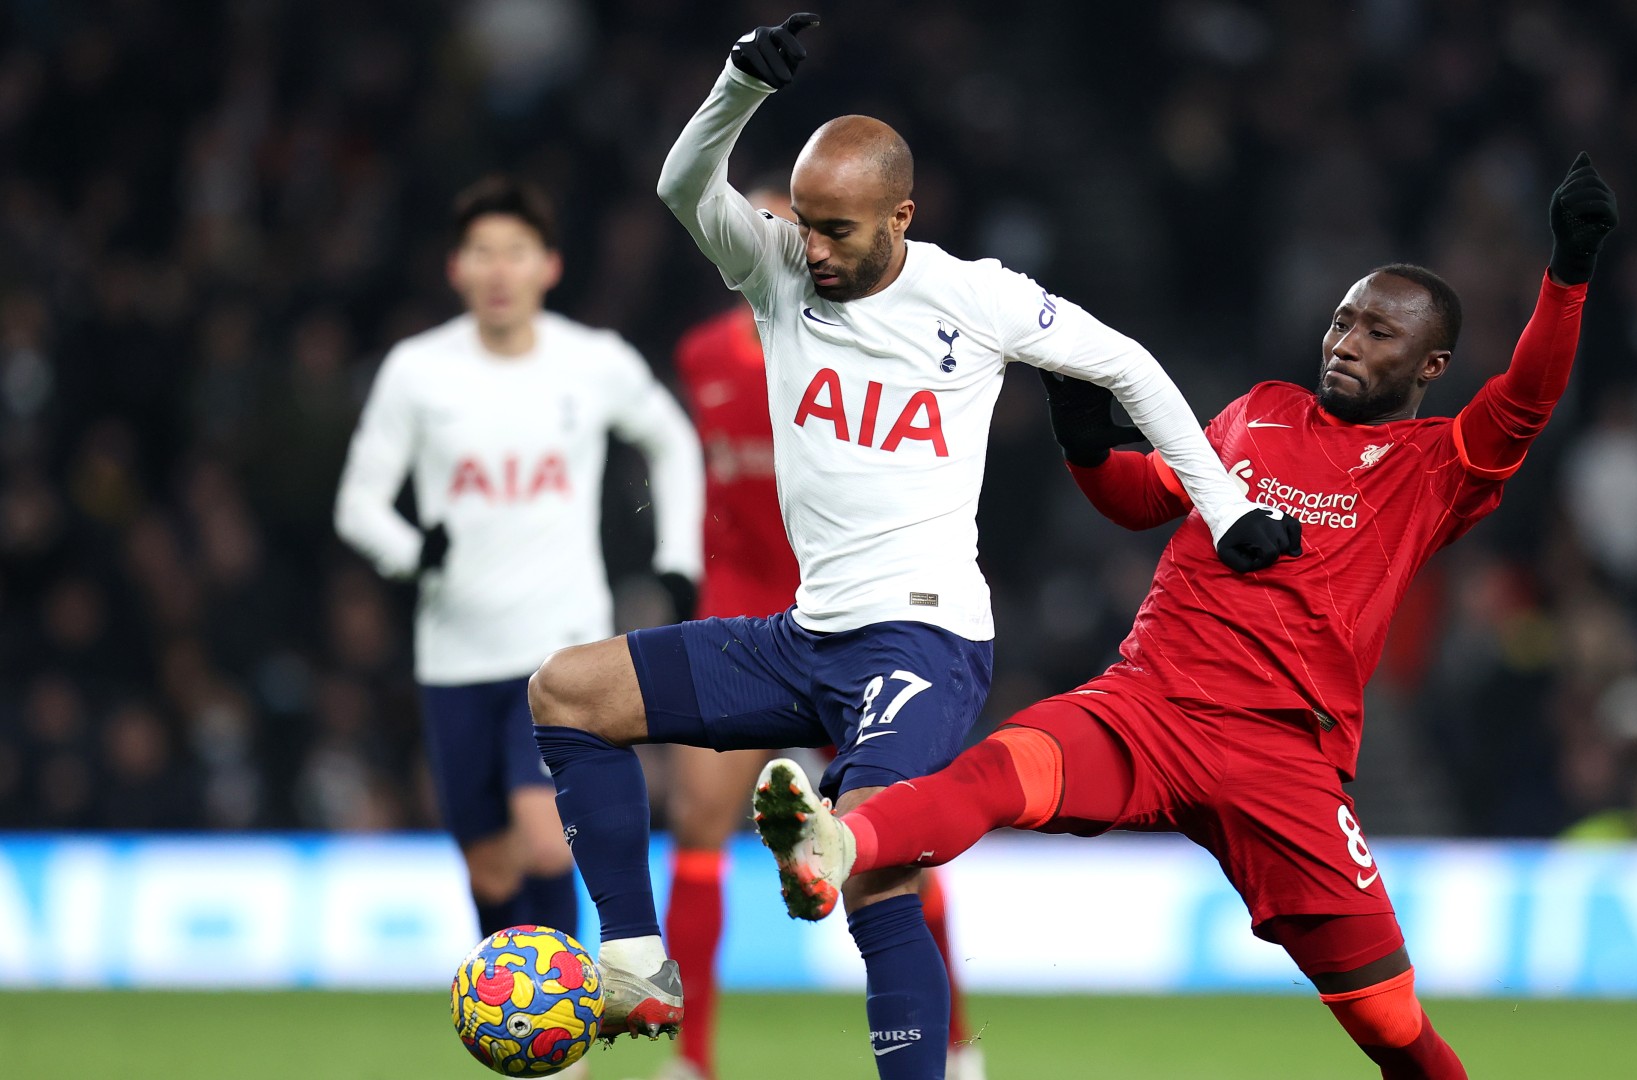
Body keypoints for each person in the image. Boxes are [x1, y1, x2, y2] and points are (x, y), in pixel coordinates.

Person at [524, 13, 1296, 1080]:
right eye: (805, 224)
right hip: (803, 637)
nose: (817, 250)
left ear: (902, 214)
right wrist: (738, 86)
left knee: (875, 861)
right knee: (567, 690)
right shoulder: (780, 271)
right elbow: (680, 187)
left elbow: (1125, 366)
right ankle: (635, 960)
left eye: (840, 230)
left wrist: (1219, 506)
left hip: (922, 643)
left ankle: (859, 913)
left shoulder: (977, 298)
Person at [753, 154, 1620, 1080]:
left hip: (1282, 757)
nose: (1347, 341)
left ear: (1431, 365)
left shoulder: (1435, 466)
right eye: (1341, 321)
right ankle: (837, 842)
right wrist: (1087, 447)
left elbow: (1526, 400)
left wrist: (1566, 274)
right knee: (994, 775)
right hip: (1148, 707)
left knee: (1392, 1026)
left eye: (1378, 331)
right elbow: (1144, 498)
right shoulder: (1260, 414)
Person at [659, 184, 986, 1080]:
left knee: (894, 832)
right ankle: (690, 1061)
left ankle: (957, 1045)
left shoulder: (863, 345)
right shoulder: (700, 356)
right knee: (697, 821)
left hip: (856, 610)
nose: (793, 246)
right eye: (773, 227)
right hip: (740, 601)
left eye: (800, 230)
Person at [333, 176, 703, 964]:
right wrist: (410, 552)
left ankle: (561, 1039)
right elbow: (358, 503)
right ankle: (529, 1035)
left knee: (544, 842)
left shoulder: (591, 361)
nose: (499, 270)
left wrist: (678, 563)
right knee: (490, 867)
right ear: (456, 269)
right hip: (455, 654)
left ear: (550, 266)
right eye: (482, 253)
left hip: (559, 651)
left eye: (516, 253)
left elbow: (671, 440)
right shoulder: (417, 371)